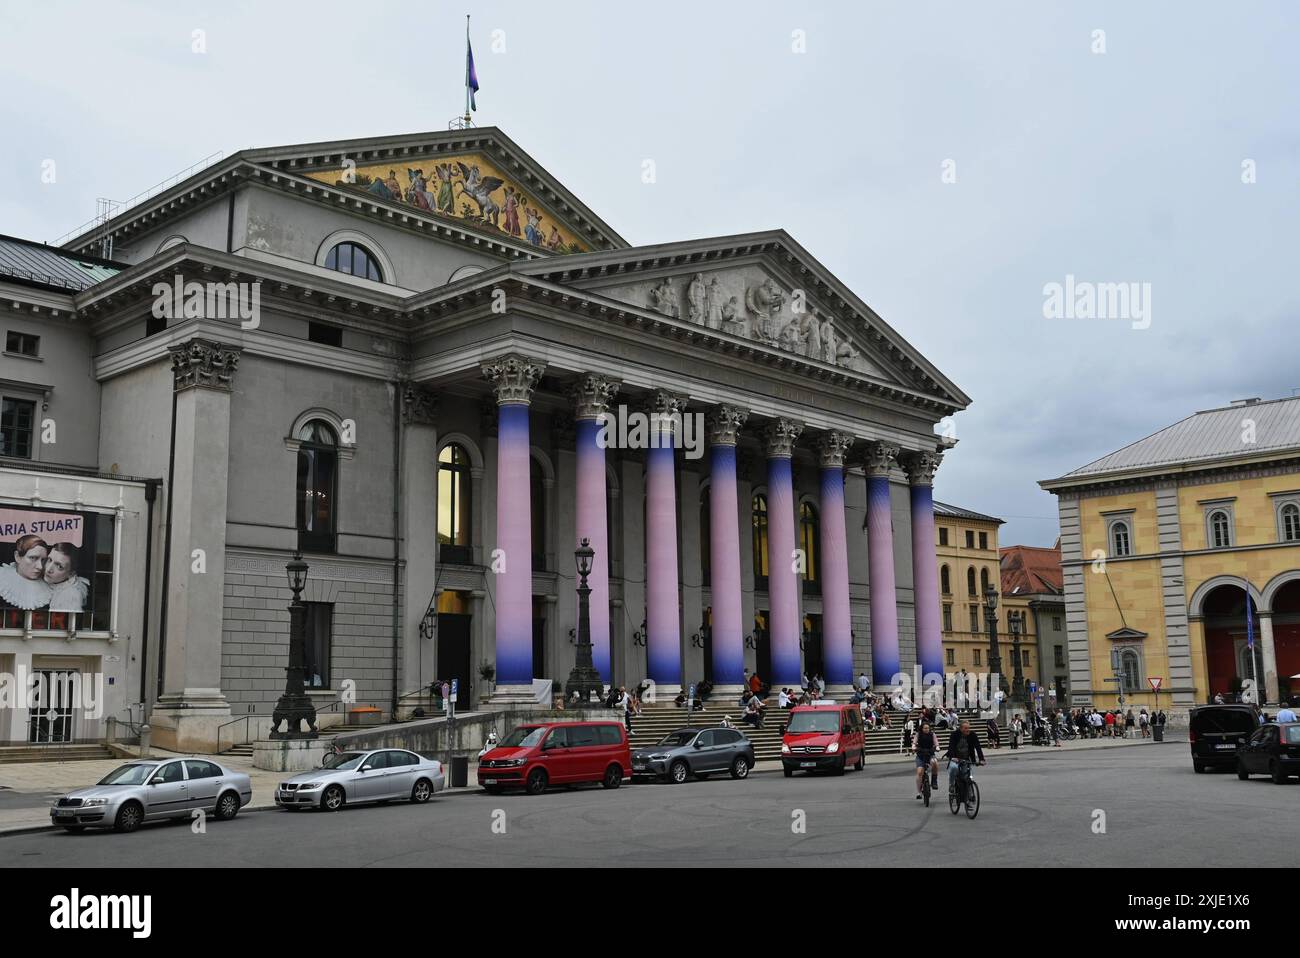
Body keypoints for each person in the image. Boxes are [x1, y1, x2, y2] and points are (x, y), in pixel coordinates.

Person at [0, 535, 53, 610]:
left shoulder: (49, 590)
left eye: (43, 560)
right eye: (33, 558)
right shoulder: (2, 581)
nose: (40, 567)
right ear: (17, 556)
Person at [945, 719, 986, 797]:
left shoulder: (972, 735)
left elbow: (978, 747)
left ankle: (969, 795)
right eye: (965, 728)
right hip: (955, 758)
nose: (968, 730)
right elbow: (951, 746)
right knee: (953, 768)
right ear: (961, 728)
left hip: (966, 758)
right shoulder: (954, 734)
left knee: (967, 776)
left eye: (968, 728)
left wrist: (981, 759)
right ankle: (952, 784)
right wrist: (953, 757)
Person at [914, 720, 939, 799]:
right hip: (921, 754)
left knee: (935, 762)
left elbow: (936, 743)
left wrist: (937, 747)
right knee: (920, 772)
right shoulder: (918, 734)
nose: (926, 729)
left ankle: (934, 780)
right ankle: (919, 792)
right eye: (925, 728)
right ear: (922, 728)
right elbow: (914, 743)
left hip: (930, 754)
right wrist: (914, 747)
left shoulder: (932, 735)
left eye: (928, 728)